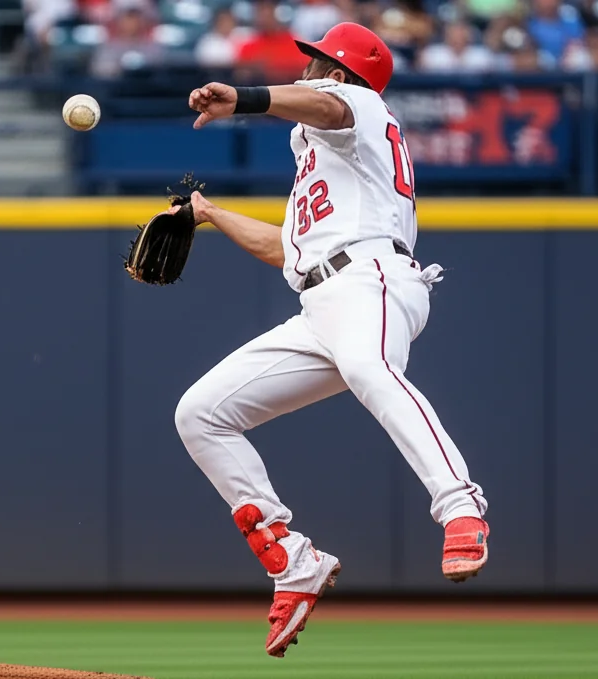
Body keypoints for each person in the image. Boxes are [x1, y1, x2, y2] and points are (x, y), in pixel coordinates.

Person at [173, 22, 489, 658]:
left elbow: (325, 102)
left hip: (371, 278)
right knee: (200, 414)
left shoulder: (359, 107)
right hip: (322, 303)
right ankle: (293, 560)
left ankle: (460, 506)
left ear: (339, 74)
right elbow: (284, 250)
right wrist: (209, 214)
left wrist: (243, 98)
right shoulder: (321, 159)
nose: (307, 72)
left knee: (370, 369)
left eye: (315, 63)